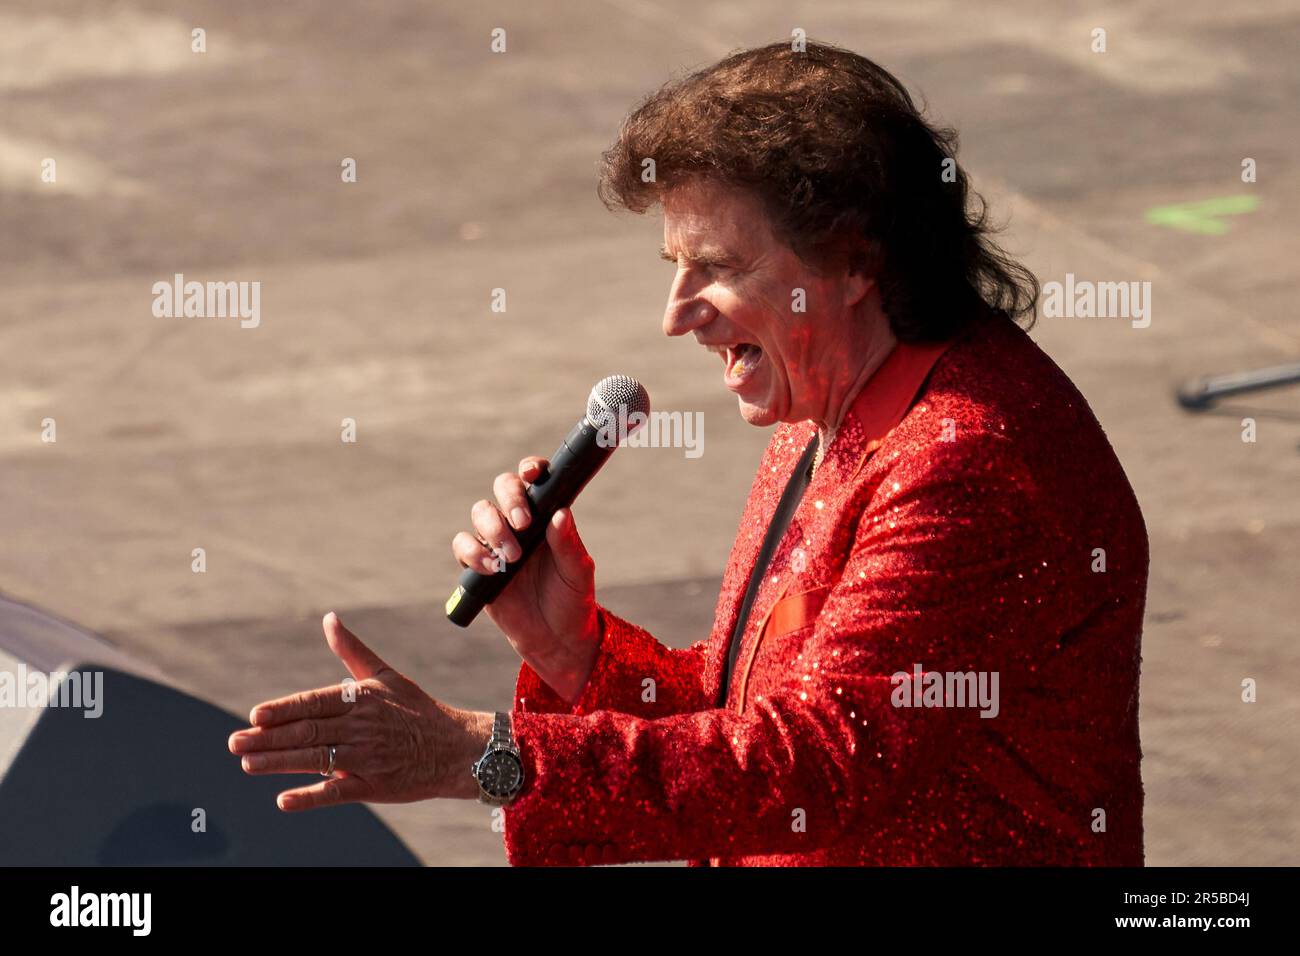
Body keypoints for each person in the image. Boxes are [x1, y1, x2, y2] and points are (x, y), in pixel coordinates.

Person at [229, 40, 1148, 866]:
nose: (675, 314)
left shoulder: (966, 463)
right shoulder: (826, 397)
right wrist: (577, 650)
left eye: (718, 266)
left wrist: (480, 756)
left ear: (855, 259)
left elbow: (814, 767)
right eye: (673, 265)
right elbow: (757, 717)